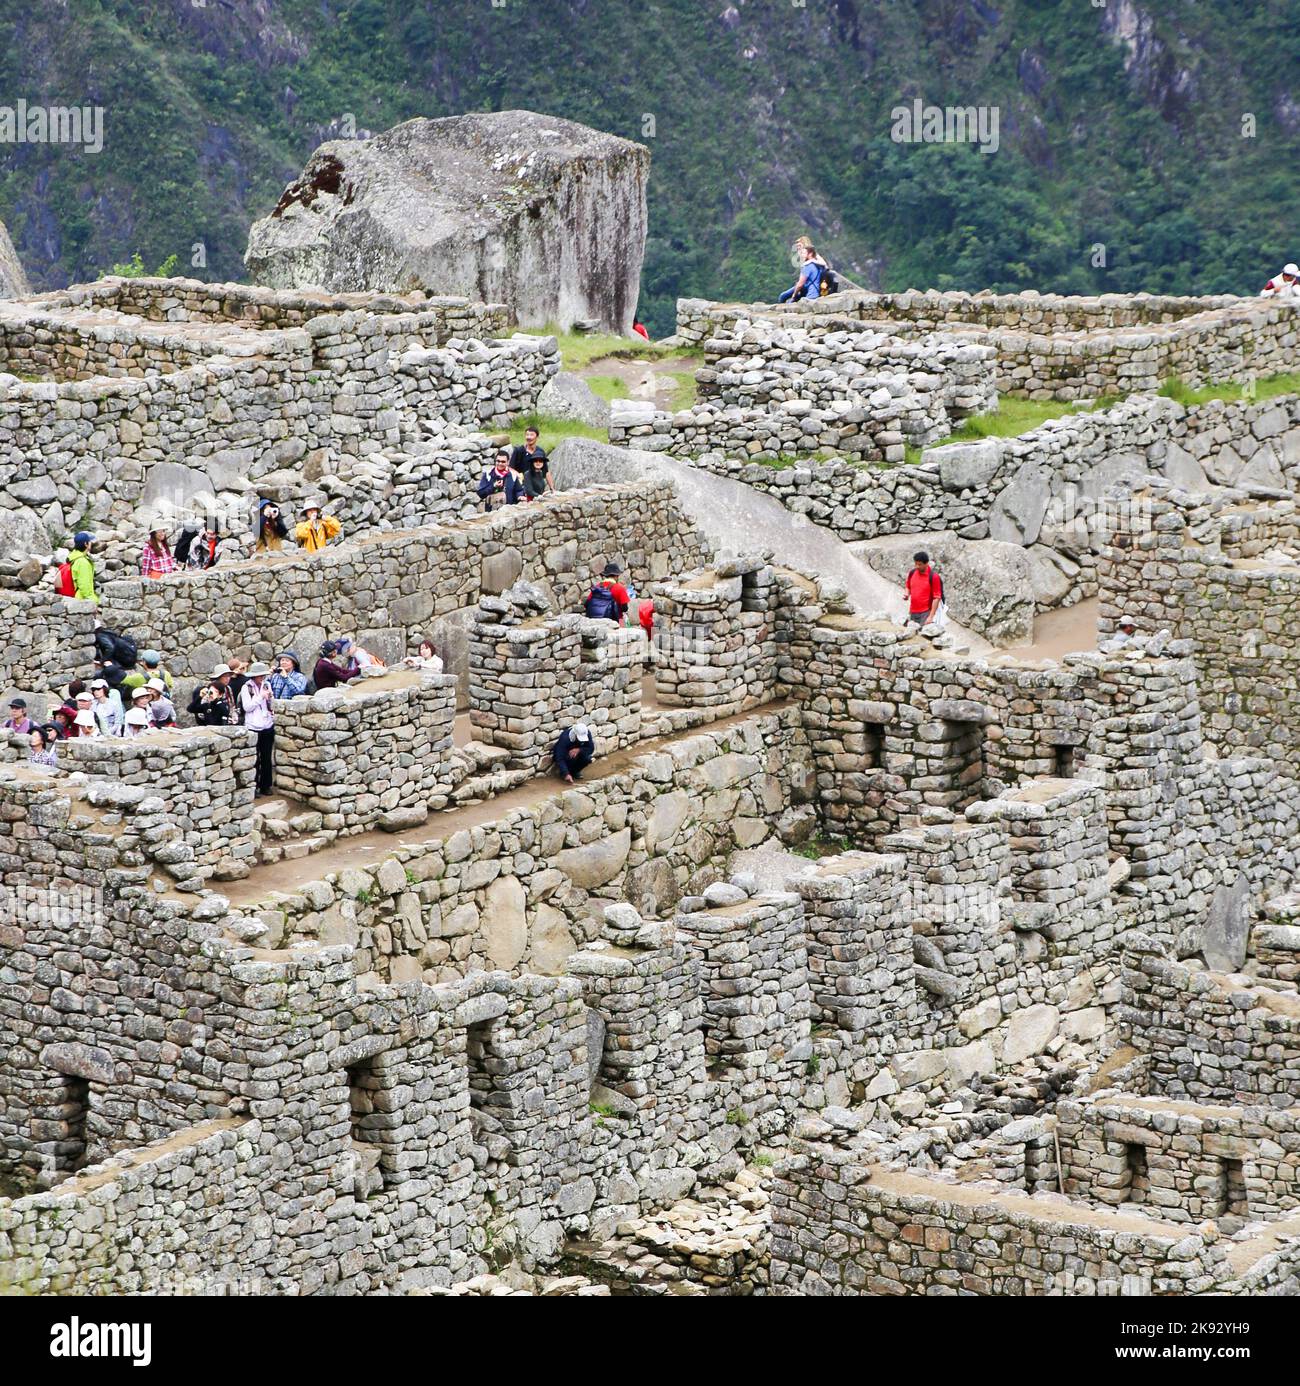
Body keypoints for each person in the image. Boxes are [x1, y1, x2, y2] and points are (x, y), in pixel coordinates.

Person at [240, 662, 276, 795]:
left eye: (263, 675)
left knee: (266, 757)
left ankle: (266, 785)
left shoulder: (267, 685)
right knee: (255, 758)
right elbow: (247, 707)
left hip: (267, 725)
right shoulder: (247, 688)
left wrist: (270, 698)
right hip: (253, 726)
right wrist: (260, 697)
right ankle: (254, 786)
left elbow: (271, 705)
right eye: (259, 675)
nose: (262, 678)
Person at [904, 551, 945, 629]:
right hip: (913, 611)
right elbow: (908, 586)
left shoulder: (933, 577)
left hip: (926, 613)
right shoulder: (912, 573)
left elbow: (936, 598)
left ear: (926, 563)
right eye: (915, 564)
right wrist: (907, 594)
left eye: (920, 564)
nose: (917, 566)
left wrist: (931, 616)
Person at [69, 531, 98, 603]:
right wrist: (95, 601)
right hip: (81, 601)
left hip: (73, 597)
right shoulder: (82, 562)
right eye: (90, 542)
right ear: (86, 544)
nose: (91, 543)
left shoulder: (72, 557)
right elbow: (85, 588)